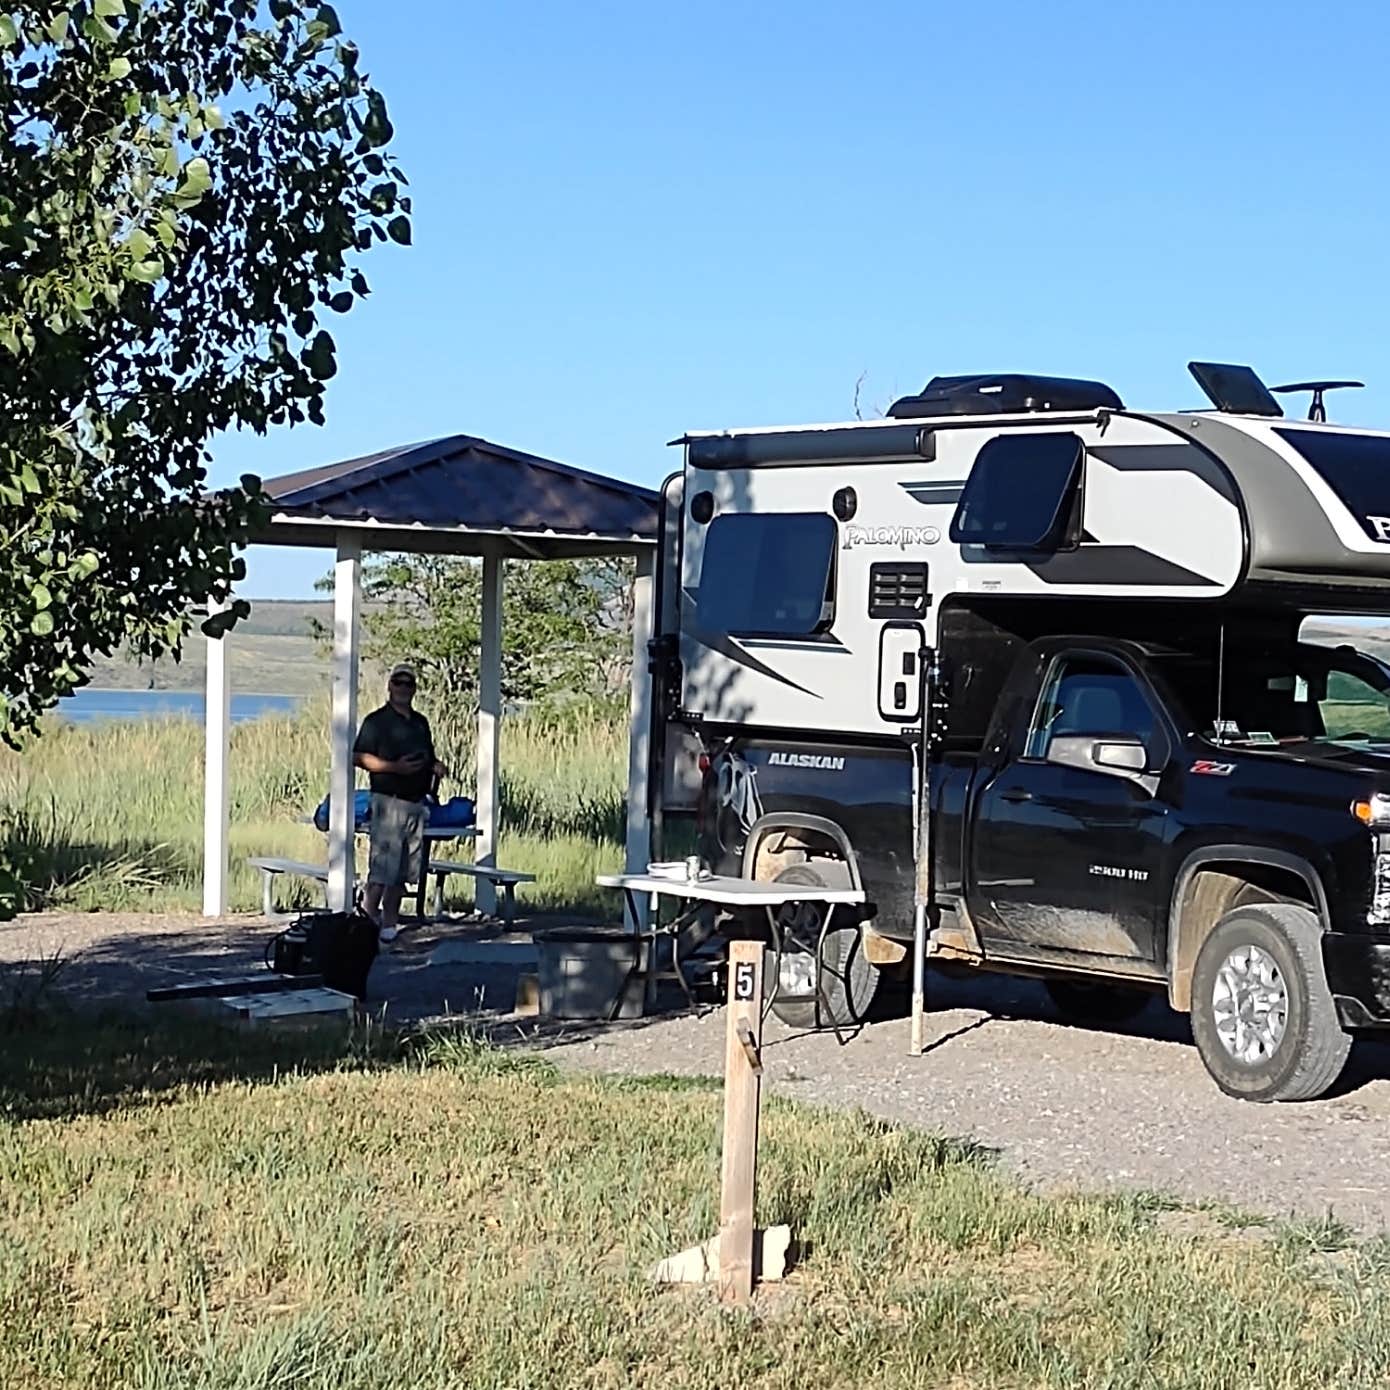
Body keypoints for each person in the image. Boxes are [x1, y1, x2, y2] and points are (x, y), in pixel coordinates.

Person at [352, 663, 448, 943]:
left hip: (416, 803)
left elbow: (427, 755)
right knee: (382, 869)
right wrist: (394, 768)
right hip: (388, 802)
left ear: (414, 689)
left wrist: (435, 766)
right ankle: (366, 922)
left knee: (404, 870)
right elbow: (359, 758)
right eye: (399, 682)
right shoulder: (376, 722)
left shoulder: (420, 723)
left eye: (409, 683)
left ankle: (390, 925)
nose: (403, 688)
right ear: (389, 686)